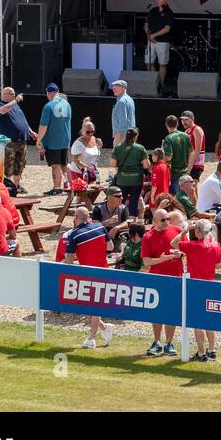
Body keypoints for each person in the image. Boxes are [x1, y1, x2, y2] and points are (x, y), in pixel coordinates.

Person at [63, 205, 116, 348]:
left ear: (76, 218)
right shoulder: (99, 227)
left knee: (93, 306)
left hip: (88, 272)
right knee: (90, 305)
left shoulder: (74, 235)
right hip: (103, 269)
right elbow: (110, 247)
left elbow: (69, 258)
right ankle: (105, 328)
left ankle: (91, 339)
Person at [172, 218, 221, 361]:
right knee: (209, 319)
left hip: (196, 286)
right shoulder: (215, 245)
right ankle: (212, 350)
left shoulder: (193, 246)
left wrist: (185, 230)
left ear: (199, 230)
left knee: (196, 321)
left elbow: (173, 243)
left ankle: (201, 353)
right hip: (210, 285)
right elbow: (218, 265)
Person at [141, 208, 183, 356]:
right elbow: (146, 261)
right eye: (163, 220)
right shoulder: (148, 237)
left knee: (171, 312)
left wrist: (181, 253)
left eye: (168, 219)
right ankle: (156, 341)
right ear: (154, 221)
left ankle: (169, 343)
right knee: (157, 312)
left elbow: (188, 250)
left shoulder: (177, 230)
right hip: (157, 279)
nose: (167, 222)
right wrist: (163, 259)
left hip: (175, 277)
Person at [0, 86, 36, 194]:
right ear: (4, 95)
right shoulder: (0, 105)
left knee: (20, 164)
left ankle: (16, 186)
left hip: (22, 139)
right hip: (9, 141)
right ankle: (8, 186)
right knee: (9, 165)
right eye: (12, 94)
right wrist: (16, 100)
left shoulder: (15, 106)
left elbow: (22, 120)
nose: (14, 96)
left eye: (14, 94)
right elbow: (2, 110)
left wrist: (30, 131)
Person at [36, 83, 73, 196]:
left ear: (49, 93)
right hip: (65, 138)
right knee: (64, 163)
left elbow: (43, 126)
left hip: (53, 140)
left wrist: (38, 140)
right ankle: (73, 186)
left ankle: (57, 188)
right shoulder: (67, 104)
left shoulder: (48, 106)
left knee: (55, 165)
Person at [110, 126, 150, 214]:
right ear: (136, 136)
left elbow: (112, 164)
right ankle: (130, 222)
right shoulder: (140, 148)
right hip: (136, 180)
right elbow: (146, 165)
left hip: (122, 180)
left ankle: (119, 219)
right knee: (134, 203)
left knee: (120, 201)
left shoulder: (118, 147)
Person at [143, 0, 174, 88]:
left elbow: (167, 28)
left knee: (162, 64)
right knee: (149, 62)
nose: (157, 0)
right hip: (151, 41)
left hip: (162, 42)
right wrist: (149, 36)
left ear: (165, 0)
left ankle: (160, 84)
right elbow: (146, 25)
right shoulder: (153, 11)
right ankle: (151, 83)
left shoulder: (169, 12)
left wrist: (154, 35)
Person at [67, 119, 103, 192]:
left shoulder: (95, 139)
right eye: (88, 132)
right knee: (83, 195)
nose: (90, 134)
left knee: (92, 193)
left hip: (91, 172)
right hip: (78, 172)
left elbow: (96, 154)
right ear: (83, 131)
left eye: (92, 131)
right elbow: (75, 160)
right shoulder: (78, 143)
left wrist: (100, 146)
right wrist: (87, 167)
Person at [160, 114, 192, 187]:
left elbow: (168, 157)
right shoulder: (186, 136)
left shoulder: (168, 138)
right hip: (185, 171)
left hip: (174, 173)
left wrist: (160, 157)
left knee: (175, 196)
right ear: (177, 124)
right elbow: (191, 151)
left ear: (166, 124)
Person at [180, 110, 207, 180]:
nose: (183, 122)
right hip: (189, 163)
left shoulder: (196, 130)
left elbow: (197, 149)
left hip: (196, 164)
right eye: (182, 120)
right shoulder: (186, 131)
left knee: (192, 186)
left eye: (186, 119)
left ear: (192, 119)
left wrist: (189, 167)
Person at [110, 79, 136, 149]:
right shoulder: (130, 99)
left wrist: (119, 135)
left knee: (117, 158)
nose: (113, 88)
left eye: (116, 86)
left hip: (122, 136)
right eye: (113, 86)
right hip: (131, 134)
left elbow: (123, 120)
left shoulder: (121, 101)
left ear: (123, 88)